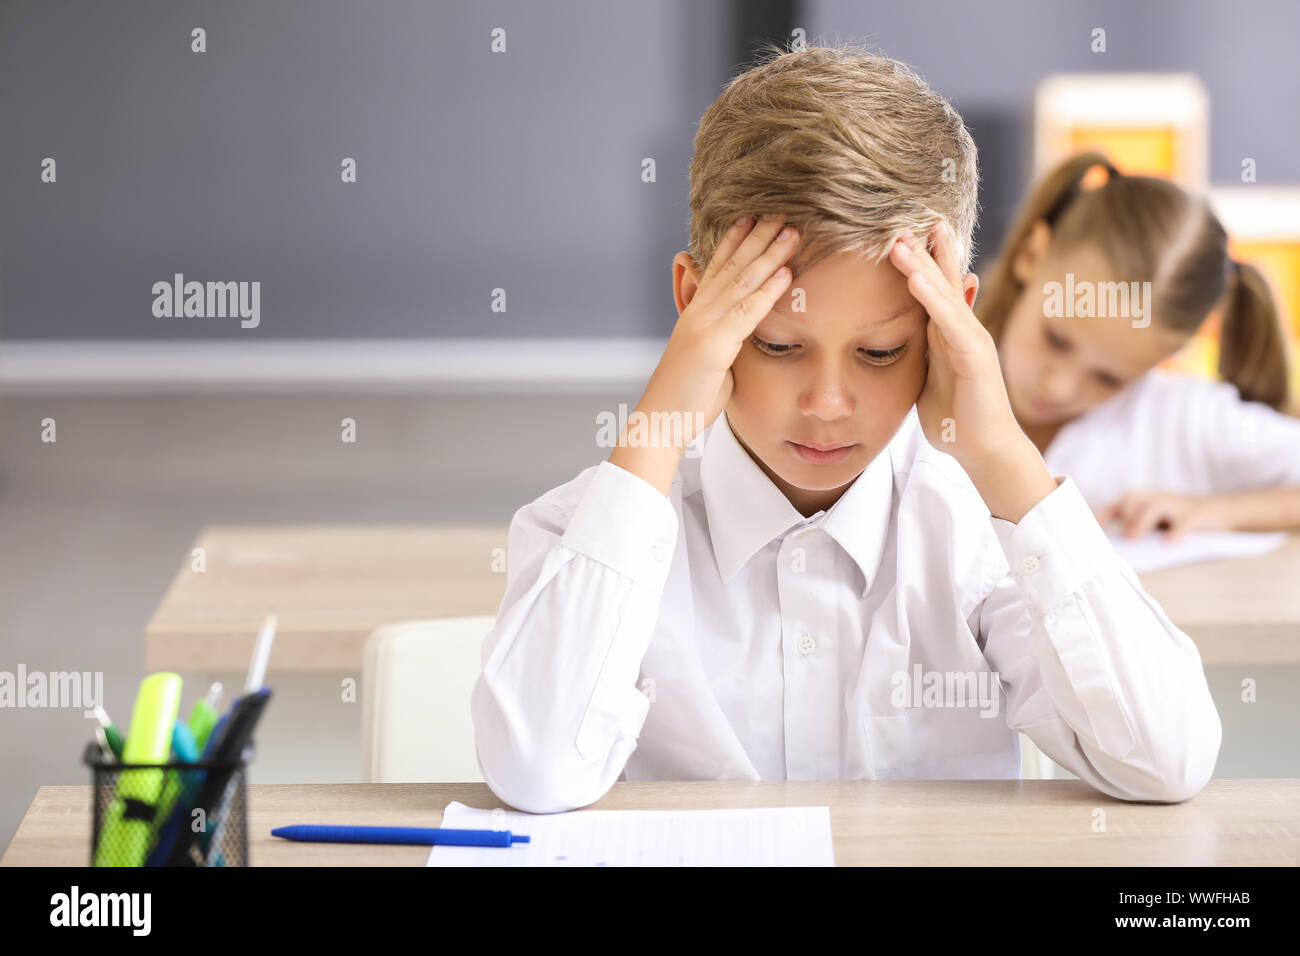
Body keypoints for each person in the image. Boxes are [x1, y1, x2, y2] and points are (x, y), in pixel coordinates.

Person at [471, 45, 1220, 814]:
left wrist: (1001, 455)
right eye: (779, 345)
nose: (829, 403)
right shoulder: (589, 529)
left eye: (880, 351)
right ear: (696, 306)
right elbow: (535, 770)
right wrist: (656, 432)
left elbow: (1165, 760)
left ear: (948, 322)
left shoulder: (976, 536)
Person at [976, 150, 1300, 539]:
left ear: (1167, 357)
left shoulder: (1184, 420)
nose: (1058, 387)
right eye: (1056, 340)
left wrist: (1214, 511)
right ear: (1031, 256)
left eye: (1109, 378)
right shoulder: (918, 378)